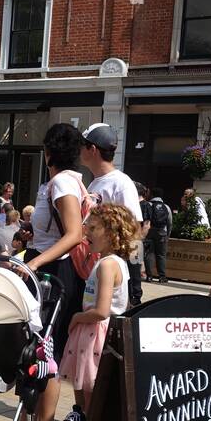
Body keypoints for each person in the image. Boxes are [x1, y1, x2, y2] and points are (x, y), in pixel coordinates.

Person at [24, 122, 86, 421]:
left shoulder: (62, 182)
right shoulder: (68, 180)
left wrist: (34, 261)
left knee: (46, 356)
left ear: (49, 151)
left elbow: (73, 234)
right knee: (39, 353)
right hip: (51, 268)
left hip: (54, 275)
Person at [60, 203, 138, 421]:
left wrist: (76, 318)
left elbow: (102, 311)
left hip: (95, 330)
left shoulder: (107, 265)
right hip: (96, 329)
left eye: (93, 228)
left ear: (112, 233)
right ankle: (85, 418)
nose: (87, 232)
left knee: (90, 381)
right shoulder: (115, 263)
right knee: (84, 378)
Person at [80, 123, 144, 307]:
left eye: (82, 145)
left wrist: (135, 284)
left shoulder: (121, 182)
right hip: (95, 268)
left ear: (92, 149)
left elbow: (135, 231)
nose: (79, 150)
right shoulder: (94, 184)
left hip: (114, 271)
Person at [140, 183, 172, 283]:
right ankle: (162, 277)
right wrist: (168, 235)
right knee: (161, 255)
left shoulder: (148, 205)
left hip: (149, 232)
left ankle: (149, 276)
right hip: (162, 233)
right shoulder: (166, 207)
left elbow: (144, 219)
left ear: (152, 195)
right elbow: (170, 222)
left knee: (149, 254)